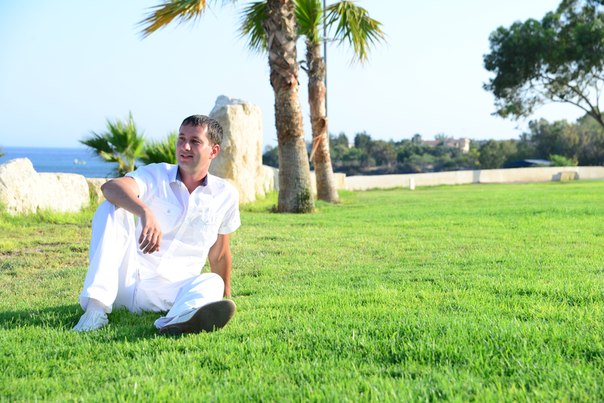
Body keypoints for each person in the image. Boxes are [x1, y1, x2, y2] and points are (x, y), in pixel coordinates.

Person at [72, 115, 240, 335]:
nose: (185, 146)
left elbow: (219, 253)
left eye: (195, 141)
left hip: (174, 291)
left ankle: (178, 320)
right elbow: (111, 188)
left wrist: (224, 294)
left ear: (213, 151)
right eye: (181, 138)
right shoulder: (157, 174)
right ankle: (95, 311)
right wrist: (145, 211)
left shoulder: (225, 195)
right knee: (110, 208)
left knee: (213, 282)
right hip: (127, 282)